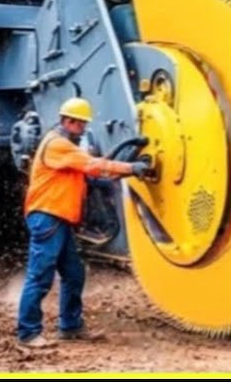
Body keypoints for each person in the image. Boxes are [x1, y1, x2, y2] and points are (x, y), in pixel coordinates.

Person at [16, 97, 139, 348]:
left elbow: (88, 173)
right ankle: (28, 333)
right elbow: (93, 165)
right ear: (68, 121)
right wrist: (132, 167)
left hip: (60, 219)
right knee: (40, 276)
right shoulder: (57, 144)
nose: (83, 129)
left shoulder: (66, 149)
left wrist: (117, 172)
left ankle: (70, 327)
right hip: (48, 216)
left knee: (74, 274)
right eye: (80, 124)